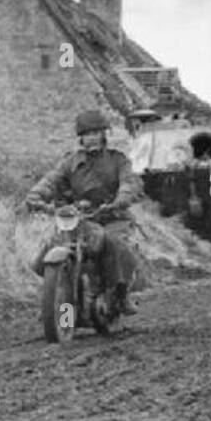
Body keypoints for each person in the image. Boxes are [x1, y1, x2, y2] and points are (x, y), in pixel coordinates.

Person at [26, 110, 143, 315]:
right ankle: (54, 300)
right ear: (81, 137)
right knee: (53, 243)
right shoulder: (70, 161)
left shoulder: (118, 160)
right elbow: (51, 180)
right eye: (87, 134)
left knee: (116, 245)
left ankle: (121, 295)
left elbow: (129, 183)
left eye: (96, 133)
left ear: (104, 135)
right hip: (80, 218)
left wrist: (119, 201)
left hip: (111, 216)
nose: (92, 138)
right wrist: (36, 196)